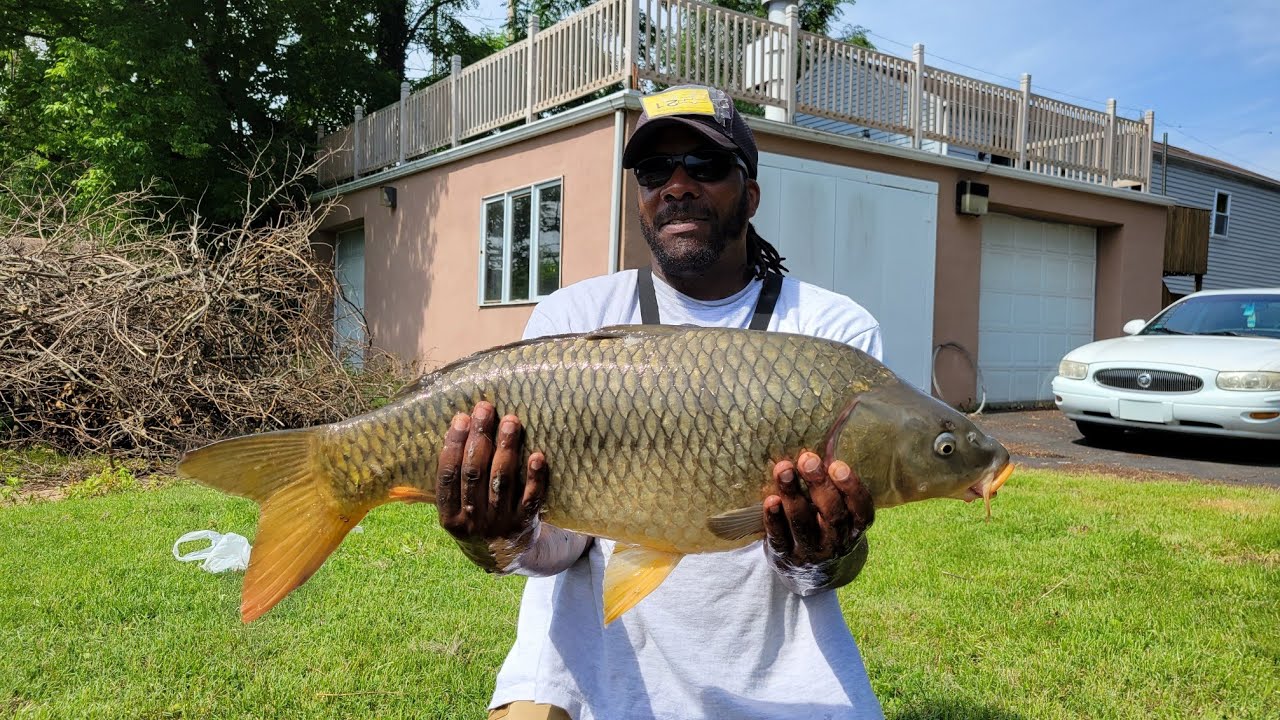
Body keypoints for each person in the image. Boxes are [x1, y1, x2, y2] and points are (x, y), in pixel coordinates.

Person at [434, 84, 887, 720]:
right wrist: (495, 539)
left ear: (750, 194)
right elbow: (556, 548)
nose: (677, 185)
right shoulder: (575, 318)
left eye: (705, 166)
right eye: (654, 170)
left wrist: (825, 553)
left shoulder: (832, 332)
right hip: (591, 658)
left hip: (778, 672)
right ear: (642, 194)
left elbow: (822, 573)